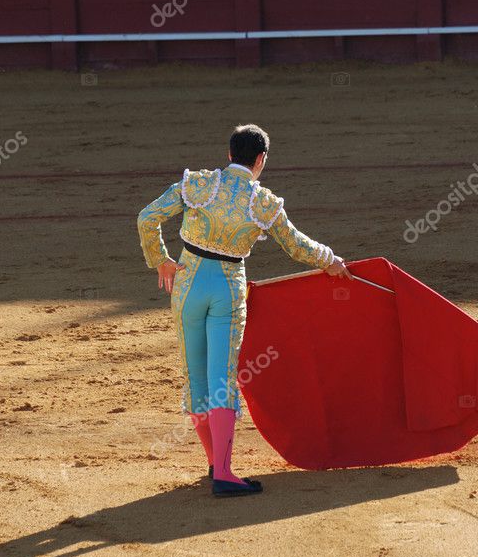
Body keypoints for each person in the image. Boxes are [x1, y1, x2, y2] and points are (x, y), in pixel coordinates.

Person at [137, 124, 352, 497]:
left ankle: (213, 463)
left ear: (228, 154)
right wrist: (329, 260)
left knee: (195, 376)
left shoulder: (199, 184)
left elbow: (147, 218)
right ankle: (222, 471)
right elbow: (297, 246)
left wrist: (161, 261)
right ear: (260, 160)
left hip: (187, 283)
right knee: (222, 377)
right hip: (226, 287)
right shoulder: (262, 203)